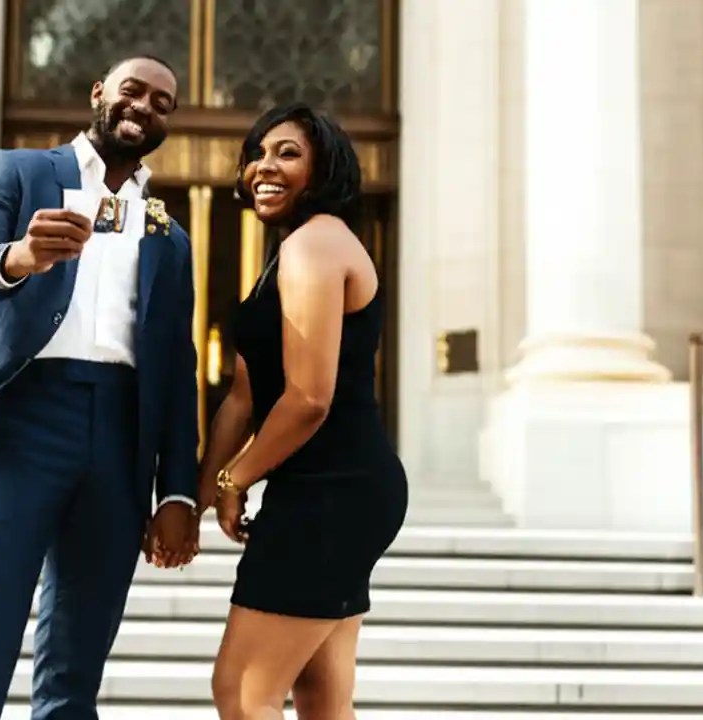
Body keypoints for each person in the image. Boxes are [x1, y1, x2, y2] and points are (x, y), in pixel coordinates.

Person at [0, 55, 201, 719]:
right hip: (21, 420)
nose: (144, 107)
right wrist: (19, 258)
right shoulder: (20, 172)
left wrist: (178, 489)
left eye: (163, 102)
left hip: (120, 435)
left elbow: (176, 365)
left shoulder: (170, 235)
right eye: (132, 91)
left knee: (76, 666)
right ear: (99, 95)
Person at [198, 103, 409, 719]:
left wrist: (237, 479)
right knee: (320, 699)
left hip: (333, 492)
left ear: (324, 171)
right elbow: (243, 396)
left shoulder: (317, 245)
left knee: (241, 692)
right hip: (328, 490)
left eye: (286, 152)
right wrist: (199, 492)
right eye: (257, 153)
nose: (264, 165)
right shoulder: (285, 256)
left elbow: (309, 400)